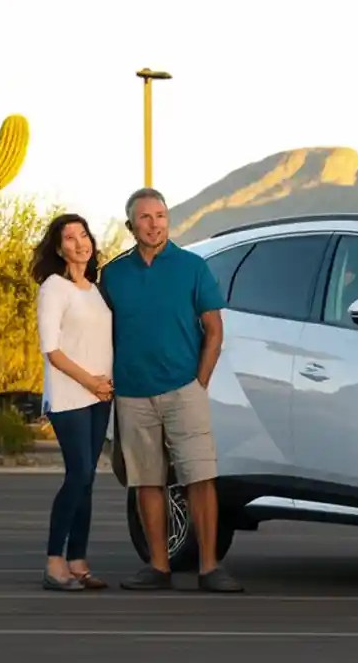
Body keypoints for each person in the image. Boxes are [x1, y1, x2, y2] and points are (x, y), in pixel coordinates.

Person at [99, 187, 243, 593]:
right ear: (131, 226)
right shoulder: (113, 275)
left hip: (184, 389)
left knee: (200, 476)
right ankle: (158, 567)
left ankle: (210, 567)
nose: (154, 224)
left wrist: (199, 382)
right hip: (132, 394)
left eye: (160, 216)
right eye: (145, 217)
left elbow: (214, 330)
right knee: (146, 480)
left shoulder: (192, 267)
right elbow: (99, 331)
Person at [30, 213, 115, 592]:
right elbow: (52, 350)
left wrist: (104, 384)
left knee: (87, 480)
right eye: (70, 238)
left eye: (84, 235)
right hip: (70, 396)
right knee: (78, 475)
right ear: (59, 248)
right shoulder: (54, 287)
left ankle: (78, 561)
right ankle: (54, 562)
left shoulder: (95, 289)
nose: (80, 243)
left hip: (100, 395)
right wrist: (91, 381)